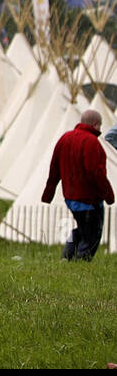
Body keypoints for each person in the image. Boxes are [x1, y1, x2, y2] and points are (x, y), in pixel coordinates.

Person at [42, 110, 114, 262]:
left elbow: (54, 168)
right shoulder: (91, 142)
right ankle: (81, 263)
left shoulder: (65, 138)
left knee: (82, 229)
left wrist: (48, 193)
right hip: (88, 199)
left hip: (70, 197)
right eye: (99, 126)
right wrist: (108, 195)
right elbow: (96, 173)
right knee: (93, 235)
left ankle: (67, 256)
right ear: (95, 124)